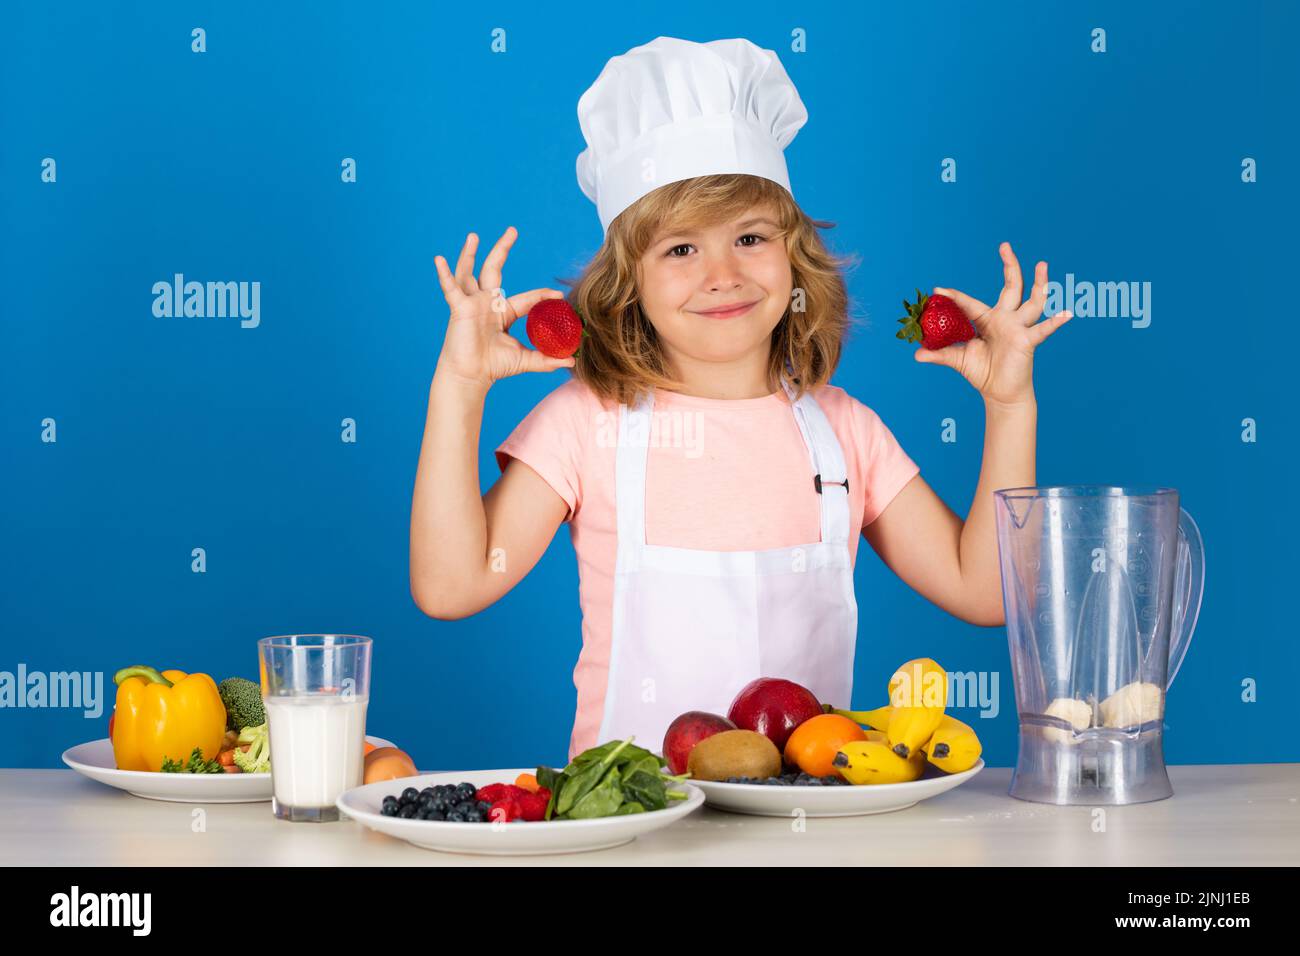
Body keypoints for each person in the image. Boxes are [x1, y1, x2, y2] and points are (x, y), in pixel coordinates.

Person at [410, 37, 1071, 761]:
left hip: (806, 826)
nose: (723, 274)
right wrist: (459, 387)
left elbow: (987, 593)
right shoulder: (584, 424)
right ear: (628, 284)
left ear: (795, 259)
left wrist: (1011, 409)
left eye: (750, 237)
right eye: (680, 250)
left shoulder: (845, 433)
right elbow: (449, 586)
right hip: (633, 831)